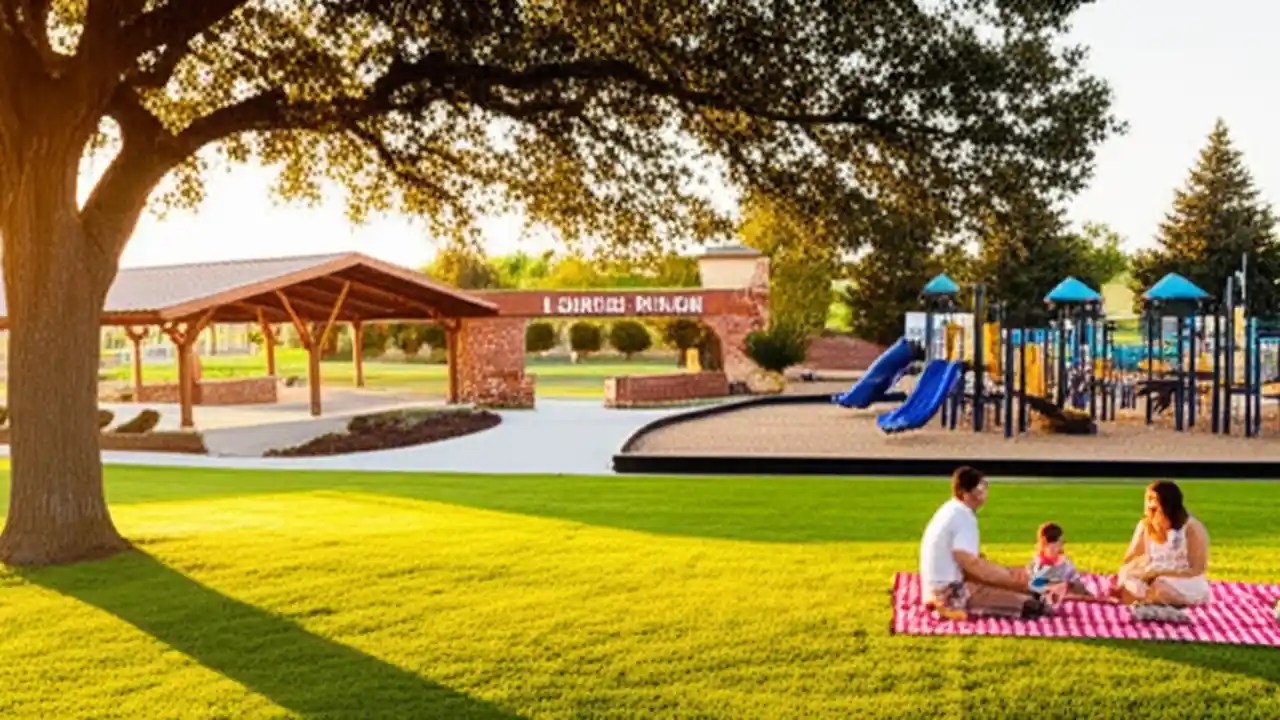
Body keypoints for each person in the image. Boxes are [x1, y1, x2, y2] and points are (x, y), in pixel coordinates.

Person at [919, 466, 1066, 620]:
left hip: (936, 589)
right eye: (980, 488)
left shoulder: (952, 509)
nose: (984, 492)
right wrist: (1014, 580)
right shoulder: (963, 516)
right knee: (1029, 604)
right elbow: (971, 565)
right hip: (950, 593)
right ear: (966, 493)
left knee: (1021, 587)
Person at [1112, 480, 1210, 606]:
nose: (1150, 505)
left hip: (1183, 580)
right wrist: (1125, 576)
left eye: (1154, 500)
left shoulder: (1191, 528)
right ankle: (1146, 599)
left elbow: (1196, 569)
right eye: (1148, 499)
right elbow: (1131, 557)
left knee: (1160, 589)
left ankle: (1150, 600)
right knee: (1128, 583)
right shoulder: (1144, 526)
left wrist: (1159, 573)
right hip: (1151, 578)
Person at [1027, 522, 1090, 597]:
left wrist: (1072, 585)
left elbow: (1077, 580)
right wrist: (1053, 588)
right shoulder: (1040, 565)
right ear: (1047, 543)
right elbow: (1035, 586)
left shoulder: (1065, 562)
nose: (1062, 546)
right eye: (1060, 542)